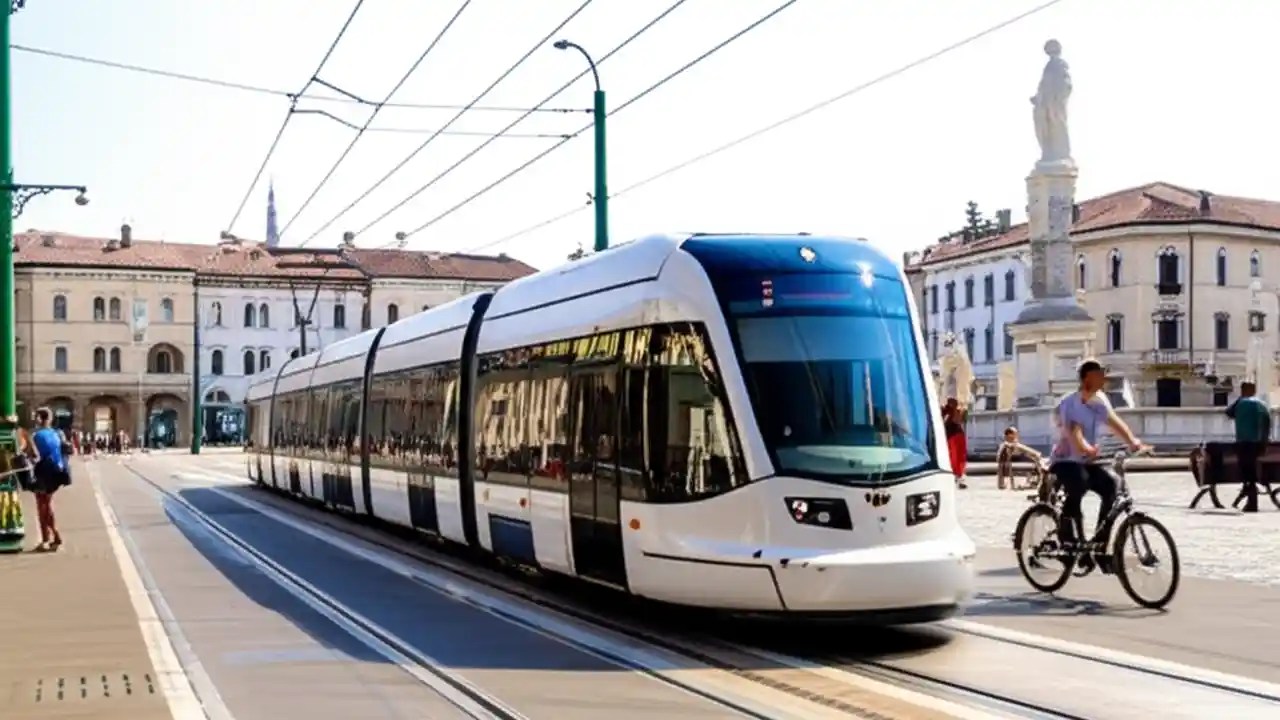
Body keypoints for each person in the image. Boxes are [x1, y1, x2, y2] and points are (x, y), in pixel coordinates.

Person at [1050, 361, 1145, 560]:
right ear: (1087, 378)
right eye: (1100, 375)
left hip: (1086, 460)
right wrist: (1086, 448)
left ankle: (1099, 545)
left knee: (1111, 486)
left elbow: (1113, 421)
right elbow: (1074, 432)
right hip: (1065, 460)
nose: (1104, 378)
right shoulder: (1070, 403)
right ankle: (1067, 534)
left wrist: (1132, 441)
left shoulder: (1099, 399)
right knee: (1079, 482)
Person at [27, 407, 70, 552]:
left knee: (42, 506)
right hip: (58, 473)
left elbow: (34, 457)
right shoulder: (58, 433)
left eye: (36, 417)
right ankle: (52, 538)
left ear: (39, 418)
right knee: (47, 504)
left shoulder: (35, 435)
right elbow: (68, 451)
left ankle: (49, 538)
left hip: (43, 472)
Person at [1225, 382, 1270, 513]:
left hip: (1244, 442)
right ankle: (1251, 500)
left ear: (1243, 390)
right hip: (1258, 443)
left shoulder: (1241, 403)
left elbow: (1228, 412)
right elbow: (1267, 422)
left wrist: (1240, 397)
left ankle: (1252, 502)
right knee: (1251, 471)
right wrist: (1264, 441)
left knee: (1247, 473)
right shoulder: (1262, 404)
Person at [996, 426, 1043, 491]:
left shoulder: (1007, 444)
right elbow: (1021, 449)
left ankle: (1034, 481)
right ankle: (1035, 481)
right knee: (1036, 459)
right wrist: (1036, 455)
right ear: (1010, 435)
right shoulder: (1008, 445)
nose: (1017, 435)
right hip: (1009, 465)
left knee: (1035, 458)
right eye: (1015, 433)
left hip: (1008, 465)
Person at [942, 398, 968, 489]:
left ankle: (959, 477)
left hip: (957, 435)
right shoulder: (946, 411)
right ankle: (957, 477)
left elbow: (960, 420)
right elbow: (954, 421)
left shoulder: (955, 411)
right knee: (954, 458)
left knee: (959, 457)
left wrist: (961, 412)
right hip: (952, 437)